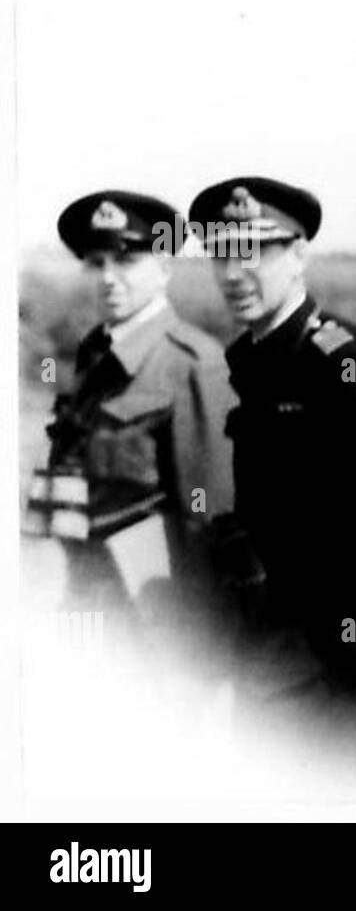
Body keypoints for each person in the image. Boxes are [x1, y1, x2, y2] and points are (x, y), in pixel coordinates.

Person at [190, 176, 356, 792]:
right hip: (267, 645)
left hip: (333, 660)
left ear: (299, 255)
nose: (235, 272)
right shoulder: (255, 357)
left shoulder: (347, 362)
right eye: (222, 252)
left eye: (255, 251)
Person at [29, 190, 235, 668]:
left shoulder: (193, 364)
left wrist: (200, 654)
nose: (108, 278)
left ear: (164, 268)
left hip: (155, 620)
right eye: (97, 263)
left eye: (126, 261)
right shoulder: (95, 353)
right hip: (84, 597)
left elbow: (208, 519)